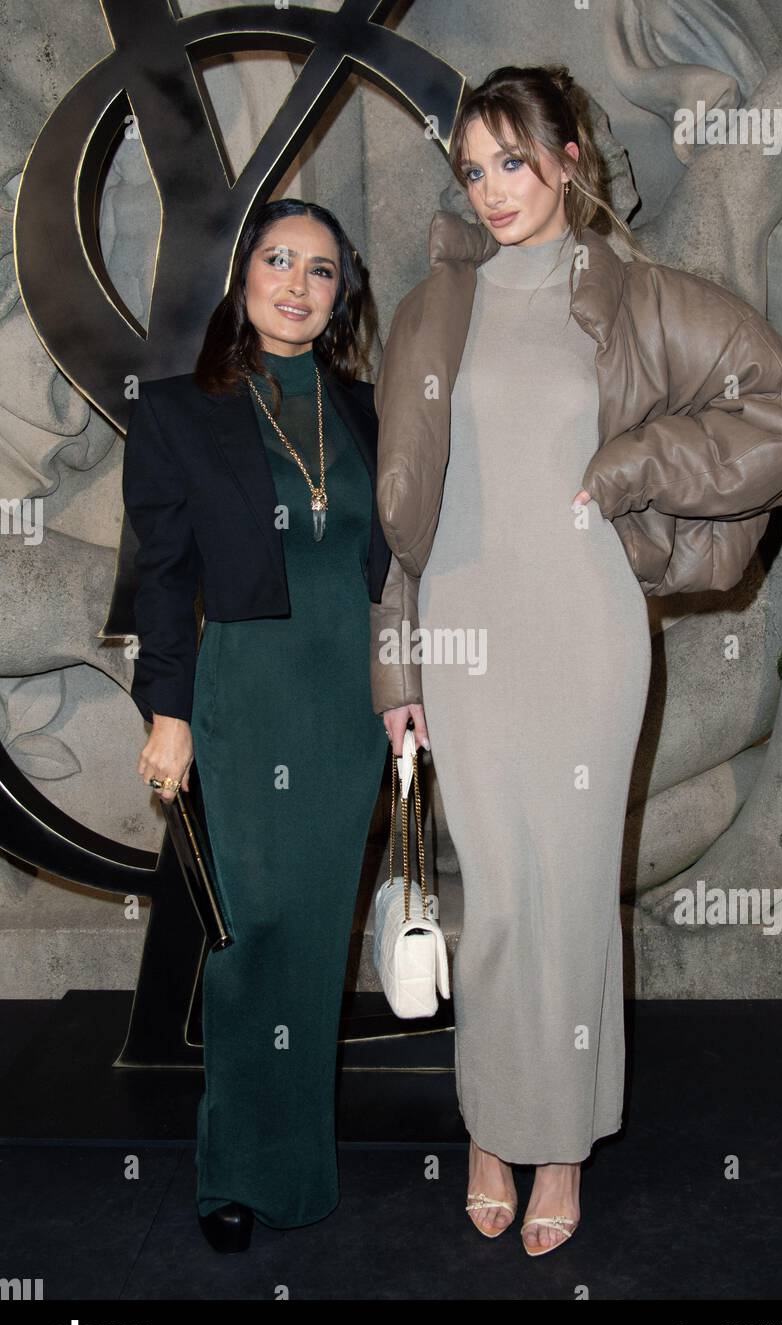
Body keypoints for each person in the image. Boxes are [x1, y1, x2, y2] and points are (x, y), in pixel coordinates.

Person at [369, 65, 782, 1256]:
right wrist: (396, 672)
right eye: (472, 169)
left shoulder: (638, 297)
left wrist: (640, 463)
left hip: (582, 630)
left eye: (512, 160)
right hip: (463, 632)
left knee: (568, 896)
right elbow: (408, 522)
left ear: (569, 155)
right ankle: (487, 1127)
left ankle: (559, 1146)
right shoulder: (432, 306)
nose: (492, 189)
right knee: (497, 895)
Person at [122, 197, 424, 1253]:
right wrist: (167, 713)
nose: (296, 284)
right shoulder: (175, 410)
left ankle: (298, 1160)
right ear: (243, 277)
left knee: (315, 943)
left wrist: (405, 695)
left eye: (322, 271)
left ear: (343, 298)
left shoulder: (368, 409)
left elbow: (399, 572)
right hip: (245, 696)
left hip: (347, 697)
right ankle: (233, 1173)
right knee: (249, 940)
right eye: (278, 261)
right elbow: (158, 581)